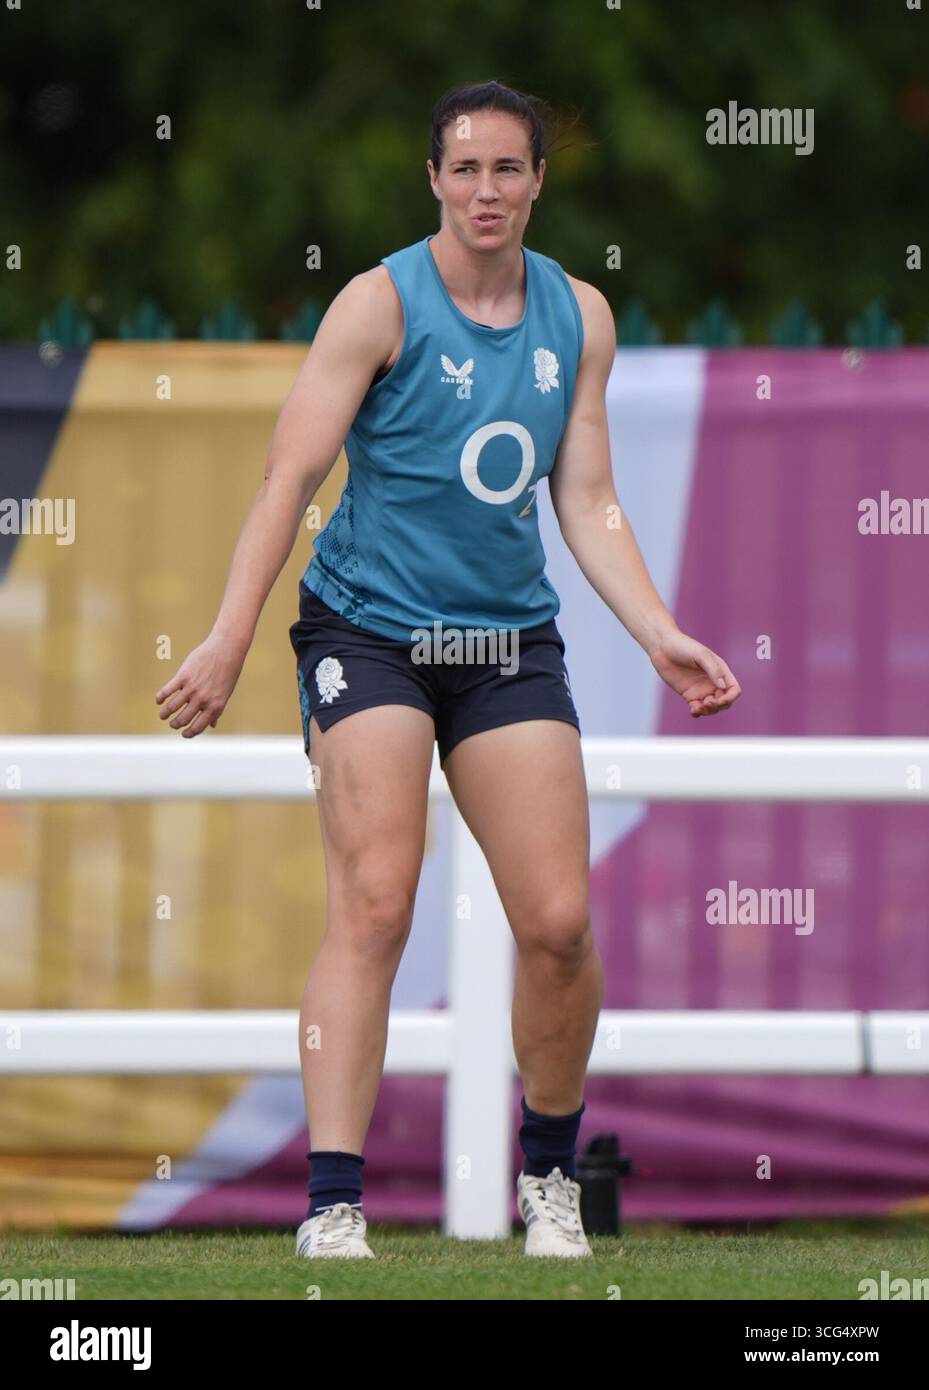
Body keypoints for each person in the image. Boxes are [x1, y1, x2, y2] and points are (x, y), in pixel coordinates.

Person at [155, 80, 741, 1260]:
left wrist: (655, 628)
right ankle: (332, 1202)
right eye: (464, 169)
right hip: (366, 630)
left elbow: (584, 495)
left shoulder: (578, 316)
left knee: (560, 922)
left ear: (537, 182)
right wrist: (224, 638)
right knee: (374, 903)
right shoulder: (376, 304)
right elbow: (289, 480)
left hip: (503, 641)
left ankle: (550, 1182)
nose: (486, 191)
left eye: (508, 170)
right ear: (433, 179)